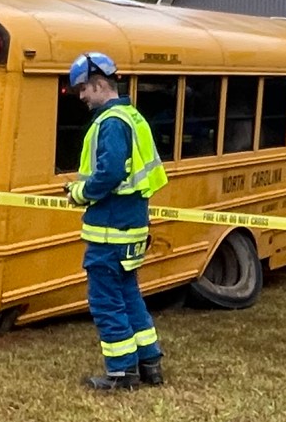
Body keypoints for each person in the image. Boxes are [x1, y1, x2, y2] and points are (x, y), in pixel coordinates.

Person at [65, 51, 169, 390]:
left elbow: (108, 173)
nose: (80, 97)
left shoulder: (110, 123)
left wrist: (80, 192)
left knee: (106, 301)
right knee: (128, 295)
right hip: (132, 225)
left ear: (98, 84)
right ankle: (149, 362)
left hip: (110, 230)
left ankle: (122, 373)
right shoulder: (132, 116)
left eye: (83, 89)